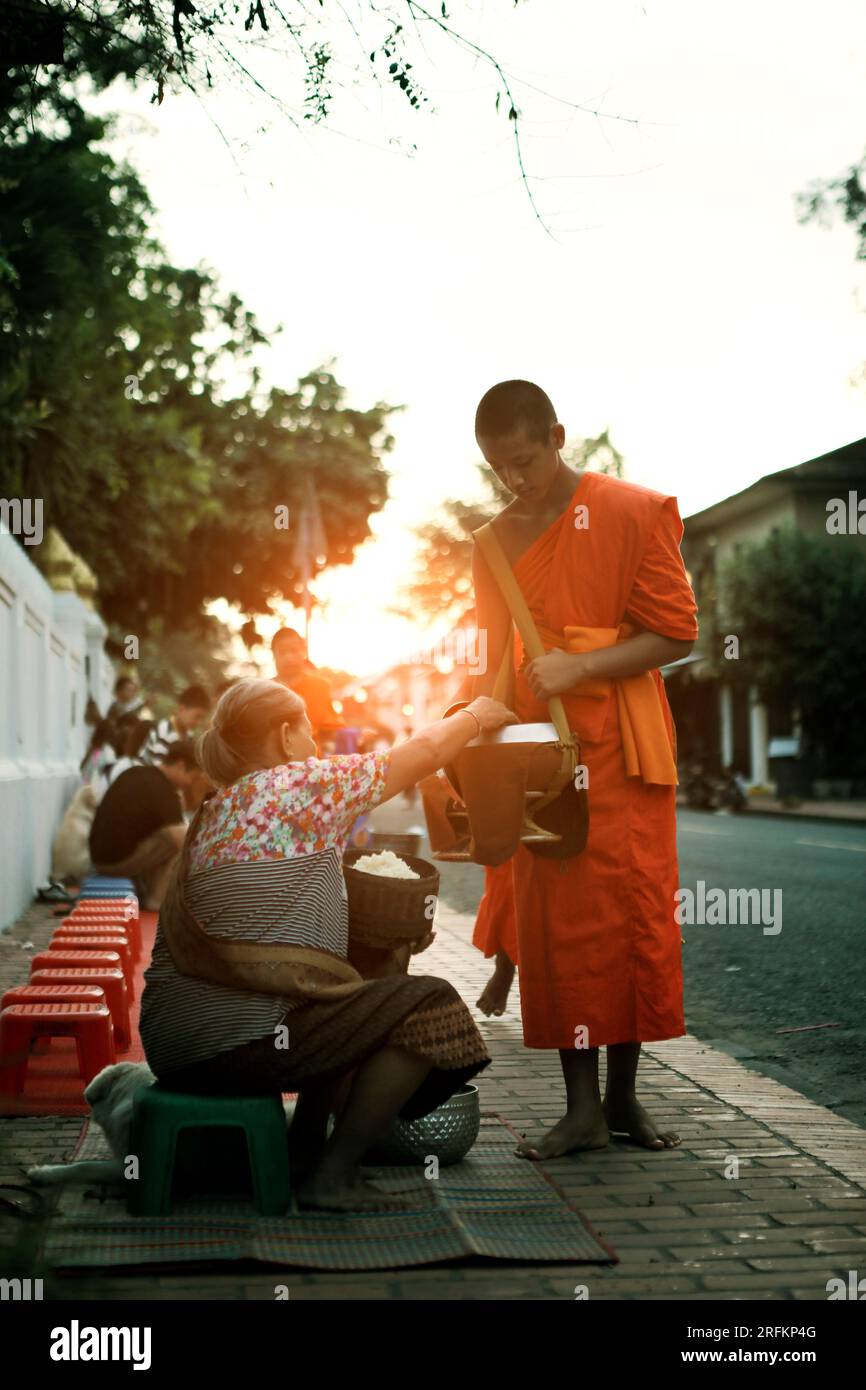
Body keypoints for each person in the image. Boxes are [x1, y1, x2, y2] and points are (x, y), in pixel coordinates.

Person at [139, 678, 517, 1212]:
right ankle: (333, 1175)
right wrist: (477, 714)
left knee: (346, 983)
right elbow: (425, 752)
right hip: (235, 1048)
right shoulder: (301, 785)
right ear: (285, 734)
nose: (316, 745)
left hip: (171, 1047)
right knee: (431, 1003)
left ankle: (303, 1149)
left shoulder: (216, 809)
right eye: (310, 732)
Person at [469, 380, 698, 1159]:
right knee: (561, 931)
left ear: (558, 436)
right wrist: (471, 743)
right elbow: (494, 663)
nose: (516, 481)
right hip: (543, 755)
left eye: (525, 461)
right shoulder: (494, 543)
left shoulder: (633, 512)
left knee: (630, 923)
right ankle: (580, 1110)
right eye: (499, 469)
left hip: (626, 754)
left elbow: (677, 633)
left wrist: (582, 667)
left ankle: (625, 1098)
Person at [89, 741, 201, 910]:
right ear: (181, 766)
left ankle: (152, 893)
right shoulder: (162, 789)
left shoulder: (137, 773)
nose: (191, 784)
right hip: (115, 863)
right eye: (193, 777)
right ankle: (156, 901)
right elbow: (182, 838)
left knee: (170, 837)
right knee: (182, 837)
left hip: (99, 857)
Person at [272, 629, 344, 744]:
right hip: (275, 760)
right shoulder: (267, 691)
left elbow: (333, 729)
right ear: (274, 655)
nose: (289, 657)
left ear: (303, 651)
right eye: (282, 652)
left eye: (294, 650)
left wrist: (357, 735)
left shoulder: (321, 686)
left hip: (313, 758)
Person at [139, 685, 211, 766]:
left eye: (202, 718)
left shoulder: (188, 735)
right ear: (182, 709)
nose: (198, 722)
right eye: (197, 717)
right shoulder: (165, 731)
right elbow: (158, 769)